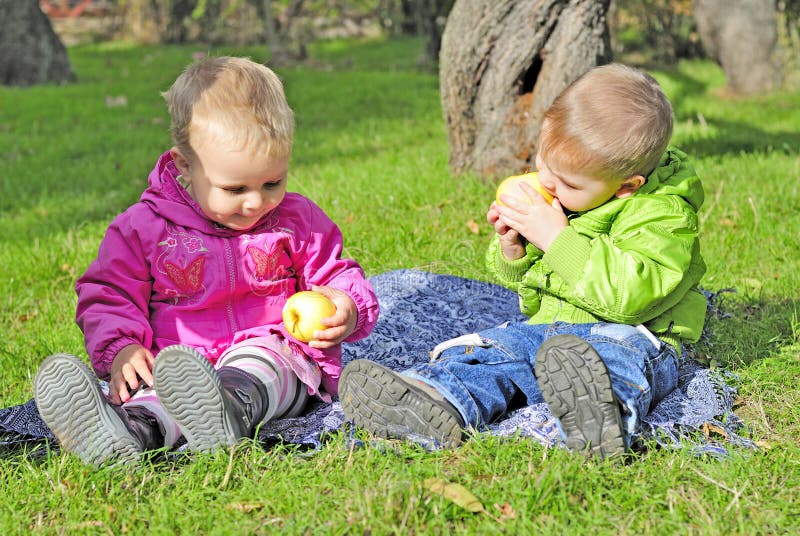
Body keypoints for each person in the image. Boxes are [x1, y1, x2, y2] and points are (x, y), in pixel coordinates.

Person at [340, 63, 707, 459]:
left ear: (626, 186)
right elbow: (527, 284)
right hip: (550, 330)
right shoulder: (574, 196)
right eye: (542, 162)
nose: (547, 183)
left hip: (635, 333)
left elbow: (628, 297)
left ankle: (603, 417)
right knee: (499, 350)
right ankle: (435, 398)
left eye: (567, 183)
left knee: (615, 361)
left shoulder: (663, 215)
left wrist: (555, 236)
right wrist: (514, 249)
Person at [33, 56, 379, 467]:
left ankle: (227, 411)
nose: (256, 201)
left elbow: (336, 272)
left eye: (273, 182)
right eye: (235, 188)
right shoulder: (145, 227)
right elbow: (110, 292)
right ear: (185, 166)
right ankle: (123, 434)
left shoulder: (296, 220)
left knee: (267, 365)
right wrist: (121, 348)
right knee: (155, 394)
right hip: (177, 360)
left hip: (273, 349)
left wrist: (346, 305)